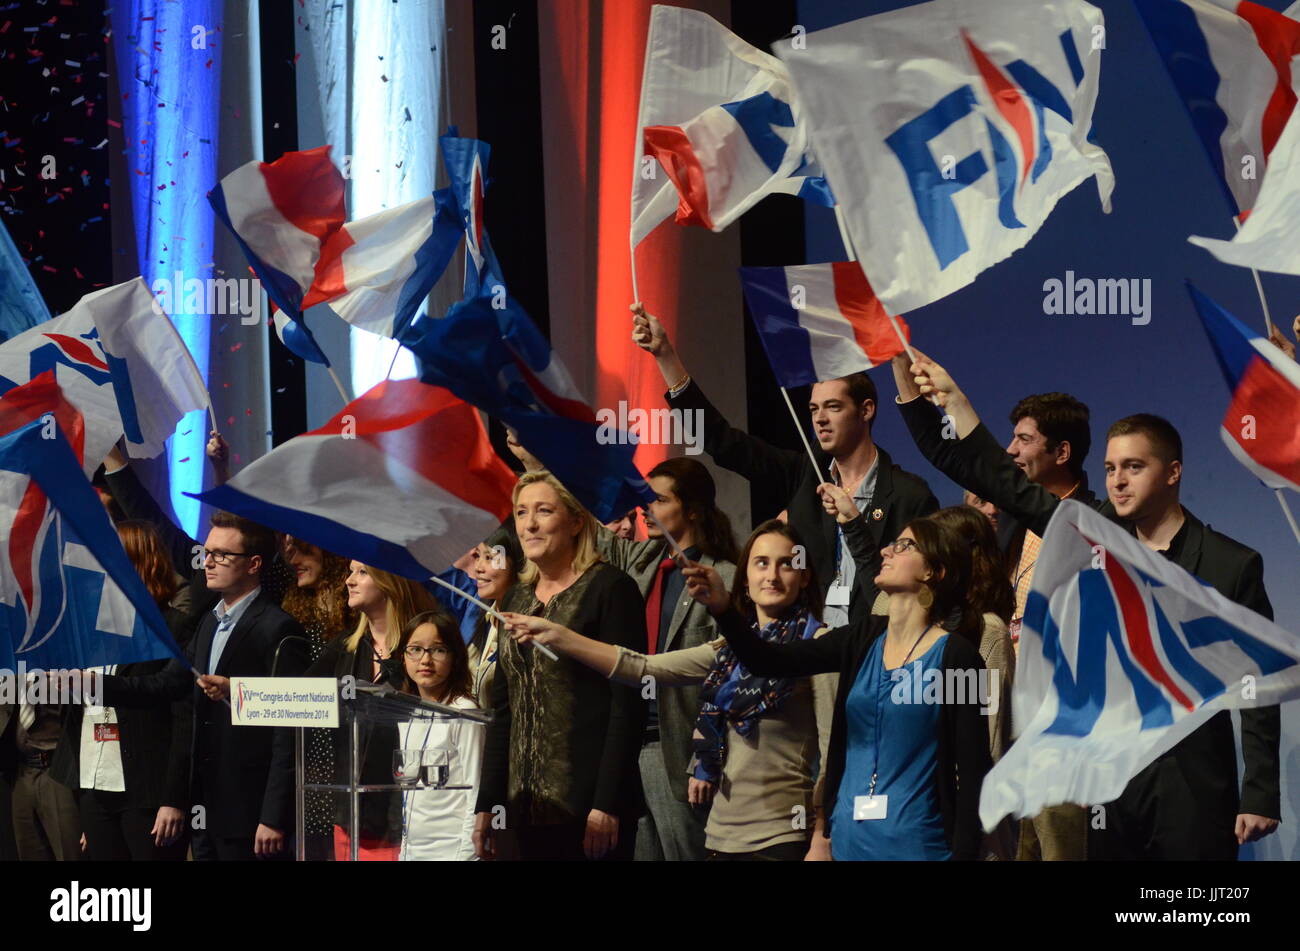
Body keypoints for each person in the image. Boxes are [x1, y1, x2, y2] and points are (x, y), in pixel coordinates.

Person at [894, 348, 1280, 860]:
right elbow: (1002, 481)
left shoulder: (1231, 564)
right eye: (1111, 468)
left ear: (1173, 472)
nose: (1118, 480)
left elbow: (1256, 684)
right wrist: (956, 404)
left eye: (1134, 467)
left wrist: (1260, 792)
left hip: (1191, 785)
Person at [505, 519, 834, 862]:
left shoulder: (819, 645)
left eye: (786, 564)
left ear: (805, 576)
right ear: (746, 579)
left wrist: (821, 838)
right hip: (721, 836)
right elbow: (642, 667)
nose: (772, 575)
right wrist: (559, 635)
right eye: (761, 563)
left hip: (783, 836)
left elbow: (834, 749)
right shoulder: (728, 650)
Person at [683, 517, 992, 860]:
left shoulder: (960, 658)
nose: (887, 550)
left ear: (935, 571)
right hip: (849, 841)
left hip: (919, 844)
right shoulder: (863, 637)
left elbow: (975, 769)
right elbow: (769, 661)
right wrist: (724, 609)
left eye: (904, 545)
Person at [632, 303, 938, 630]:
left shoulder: (910, 496)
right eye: (814, 409)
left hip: (874, 649)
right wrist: (666, 356)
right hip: (805, 648)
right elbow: (722, 442)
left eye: (833, 407)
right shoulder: (804, 475)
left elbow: (922, 592)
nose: (819, 419)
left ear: (866, 410)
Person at [506, 442, 739, 861]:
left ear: (693, 511)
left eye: (659, 500)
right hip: (636, 747)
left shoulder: (723, 576)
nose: (644, 508)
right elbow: (585, 528)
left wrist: (706, 754)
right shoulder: (644, 561)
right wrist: (535, 462)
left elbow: (726, 675)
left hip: (681, 747)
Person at [98, 512, 308, 861]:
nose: (207, 562)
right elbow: (167, 684)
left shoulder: (279, 629)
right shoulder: (209, 622)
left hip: (251, 811)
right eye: (207, 552)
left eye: (221, 555)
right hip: (206, 807)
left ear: (254, 563)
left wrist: (274, 815)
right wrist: (95, 685)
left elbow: (289, 728)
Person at [472, 472, 646, 862]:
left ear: (575, 522)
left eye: (543, 511)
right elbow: (504, 711)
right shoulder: (515, 595)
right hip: (522, 809)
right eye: (521, 513)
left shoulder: (611, 588)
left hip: (587, 810)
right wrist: (488, 803)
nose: (529, 524)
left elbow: (627, 704)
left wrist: (607, 804)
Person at [51, 521, 192, 861]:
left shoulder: (173, 625)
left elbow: (179, 710)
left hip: (147, 789)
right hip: (94, 784)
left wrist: (173, 799)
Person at [307, 562, 438, 860]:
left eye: (362, 572)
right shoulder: (345, 647)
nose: (349, 581)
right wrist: (234, 689)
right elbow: (300, 699)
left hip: (404, 814)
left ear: (389, 581)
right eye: (350, 571)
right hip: (351, 814)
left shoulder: (422, 648)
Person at [280, 537, 355, 857]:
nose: (291, 557)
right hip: (303, 754)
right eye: (286, 550)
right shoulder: (292, 611)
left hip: (343, 752)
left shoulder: (354, 616)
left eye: (301, 548)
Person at [395, 610, 485, 861]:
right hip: (413, 851)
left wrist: (467, 854)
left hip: (453, 850)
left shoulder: (464, 711)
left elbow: (475, 789)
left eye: (438, 650)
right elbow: (409, 794)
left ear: (455, 657)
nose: (425, 660)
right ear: (403, 657)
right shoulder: (410, 714)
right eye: (415, 649)